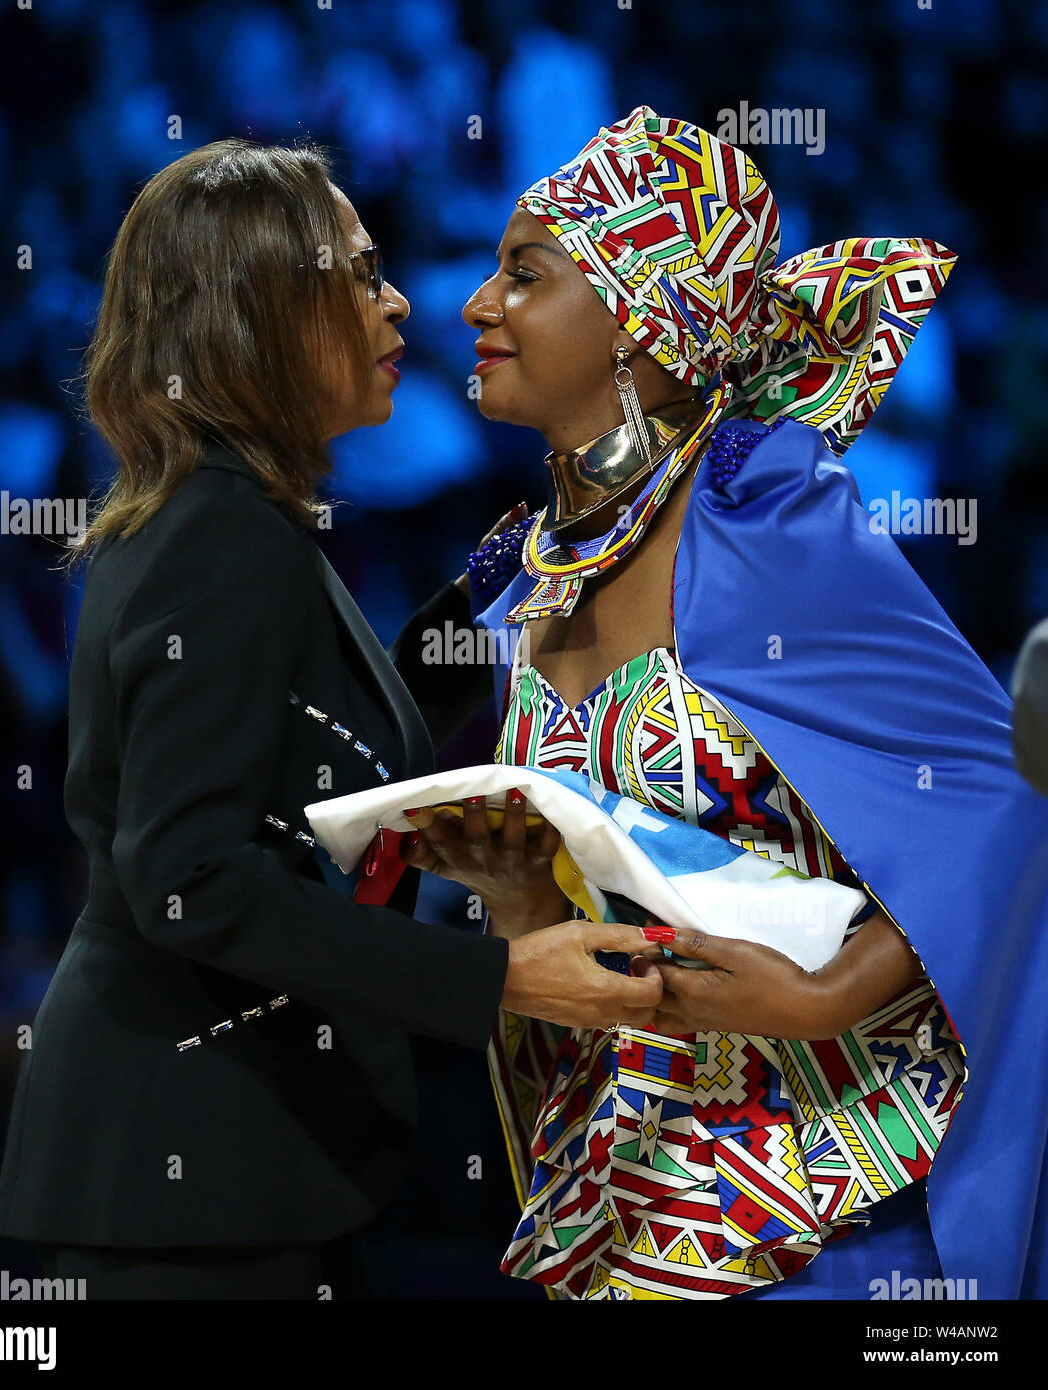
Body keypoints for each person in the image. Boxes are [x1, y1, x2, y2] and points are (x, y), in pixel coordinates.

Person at [0, 137, 666, 1300]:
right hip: (189, 1189)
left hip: (204, 1174)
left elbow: (302, 758)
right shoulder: (224, 537)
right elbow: (190, 876)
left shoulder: (223, 512)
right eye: (359, 276)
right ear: (263, 311)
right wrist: (501, 979)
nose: (400, 298)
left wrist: (488, 605)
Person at [401, 107, 1048, 1300]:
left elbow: (1008, 795)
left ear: (642, 321)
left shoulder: (759, 514)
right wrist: (511, 894)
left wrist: (821, 998)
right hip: (616, 1203)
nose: (474, 305)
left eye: (524, 273)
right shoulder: (521, 573)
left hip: (826, 1211)